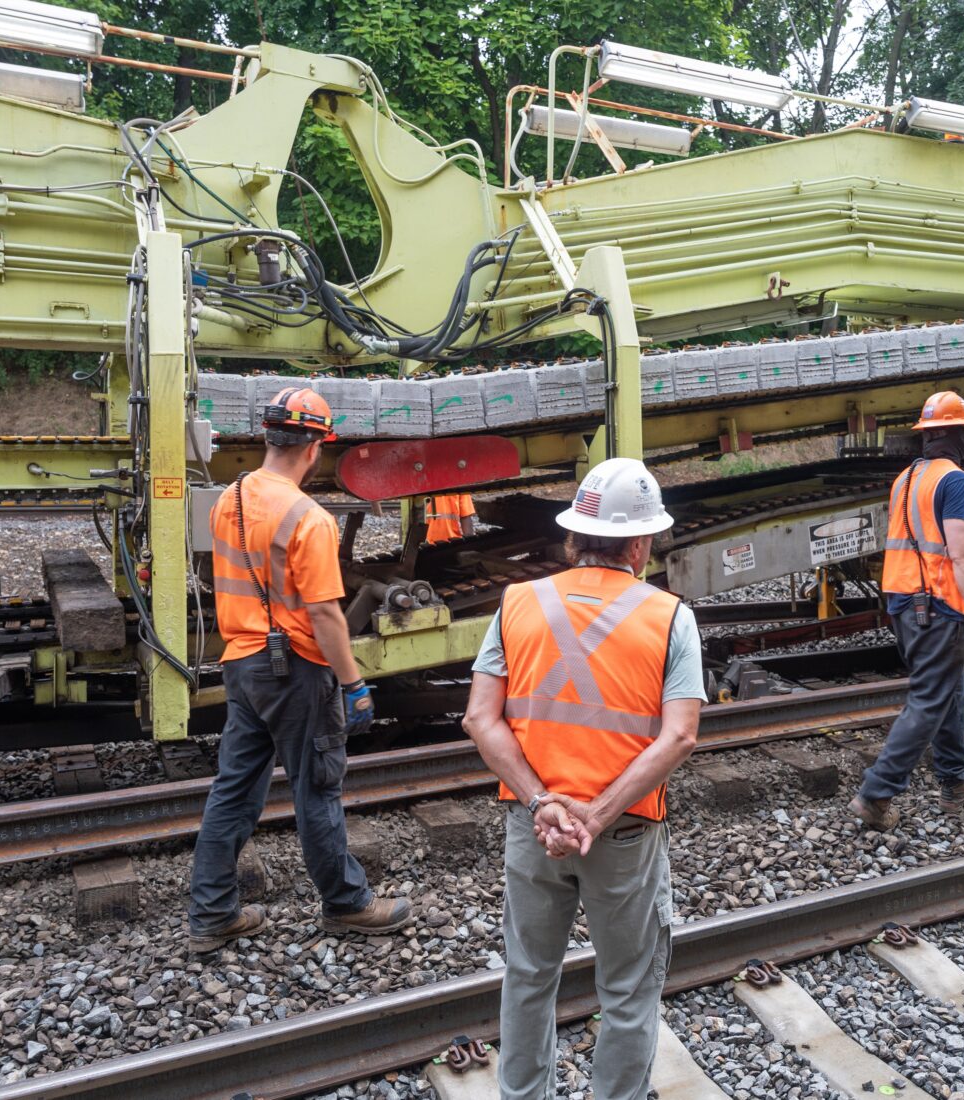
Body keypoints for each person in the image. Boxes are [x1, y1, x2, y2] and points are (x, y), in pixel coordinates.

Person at [462, 457, 705, 1100]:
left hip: (532, 826)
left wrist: (544, 802)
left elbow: (480, 719)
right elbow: (679, 734)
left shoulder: (517, 603)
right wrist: (592, 817)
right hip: (620, 834)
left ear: (574, 537)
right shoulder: (670, 616)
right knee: (626, 989)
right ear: (641, 542)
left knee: (529, 975)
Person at [189, 386, 412, 952]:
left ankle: (213, 913)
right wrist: (354, 683)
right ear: (314, 447)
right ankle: (347, 904)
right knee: (317, 788)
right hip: (297, 671)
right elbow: (325, 615)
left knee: (234, 792)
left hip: (242, 662)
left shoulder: (228, 500)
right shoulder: (309, 519)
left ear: (270, 437)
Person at [850, 390, 964, 831]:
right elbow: (963, 557)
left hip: (904, 603)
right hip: (939, 604)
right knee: (930, 699)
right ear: (956, 434)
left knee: (948, 689)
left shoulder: (907, 478)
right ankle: (876, 795)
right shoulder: (955, 482)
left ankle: (954, 782)